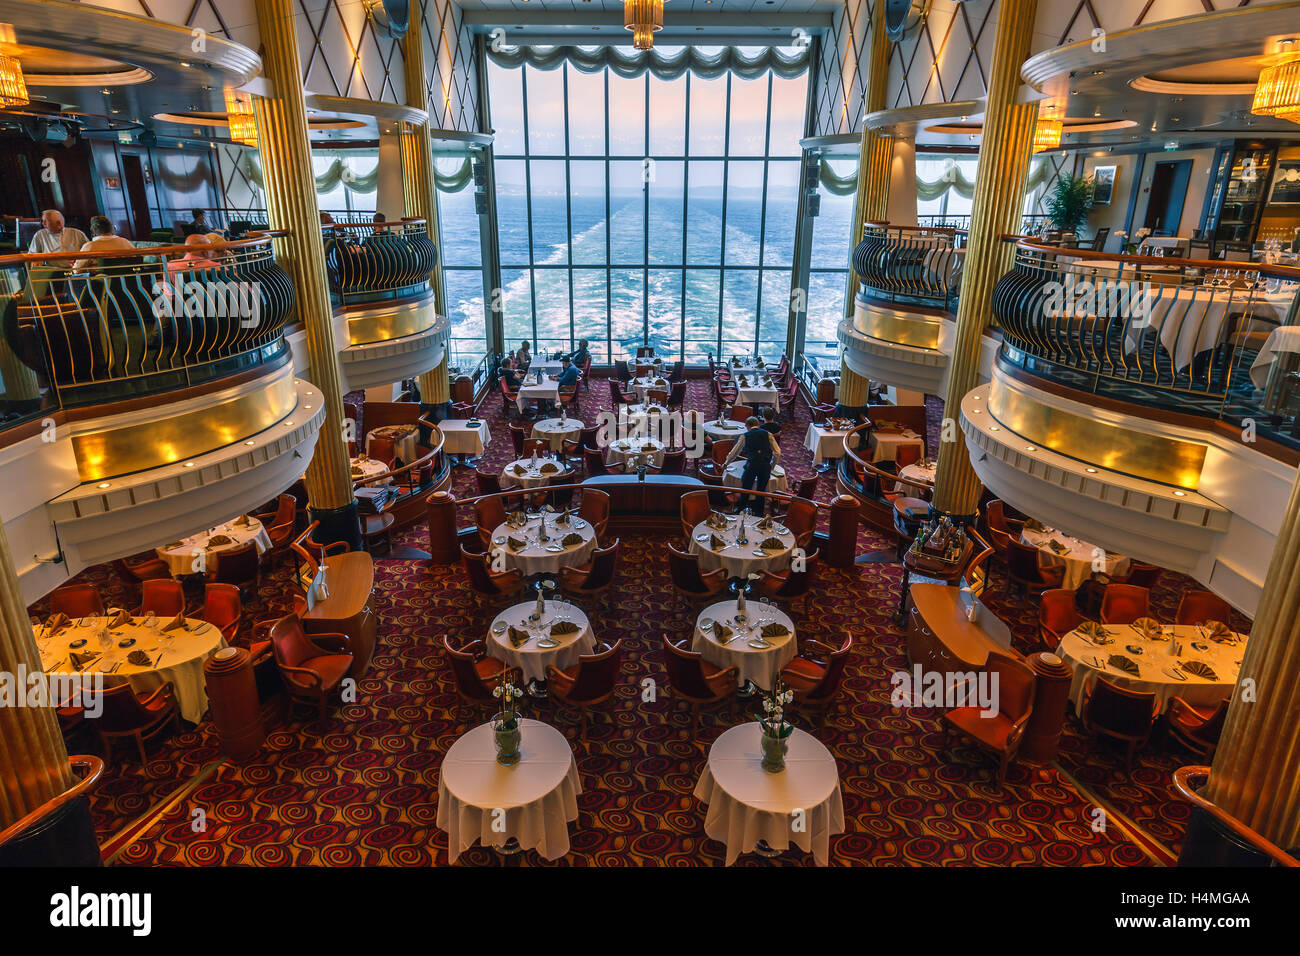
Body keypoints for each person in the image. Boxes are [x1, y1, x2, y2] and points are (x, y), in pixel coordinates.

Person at [724, 415, 781, 515]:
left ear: (747, 426)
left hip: (752, 465)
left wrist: (726, 463)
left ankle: (740, 510)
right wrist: (772, 465)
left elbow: (735, 452)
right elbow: (777, 452)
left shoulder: (745, 435)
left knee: (746, 489)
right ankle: (759, 513)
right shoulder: (768, 434)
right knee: (761, 491)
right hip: (765, 465)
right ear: (758, 425)